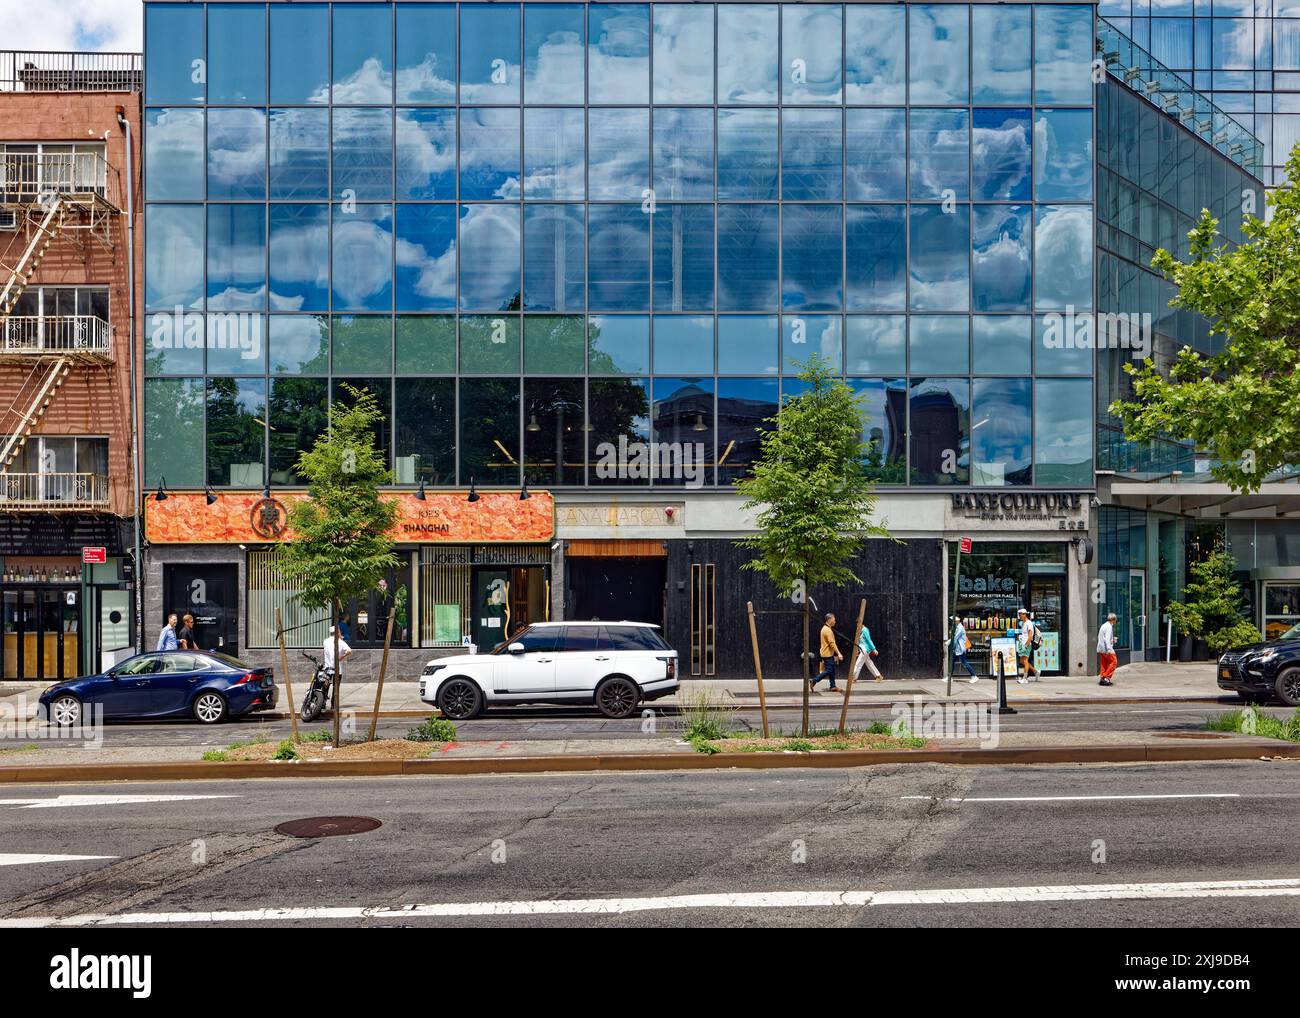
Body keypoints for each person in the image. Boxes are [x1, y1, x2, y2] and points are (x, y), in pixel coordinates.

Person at [809, 612, 842, 692]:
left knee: (832, 669)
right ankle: (814, 680)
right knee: (829, 670)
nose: (835, 621)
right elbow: (832, 644)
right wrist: (838, 653)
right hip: (827, 654)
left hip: (826, 653)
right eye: (834, 619)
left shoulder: (826, 628)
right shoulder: (827, 630)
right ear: (829, 620)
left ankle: (833, 686)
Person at [1016, 608, 1040, 684]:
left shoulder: (1029, 623)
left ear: (1024, 614)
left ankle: (1025, 678)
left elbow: (1030, 635)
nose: (1019, 616)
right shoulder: (1024, 623)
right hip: (1023, 644)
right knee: (1022, 661)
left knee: (1025, 661)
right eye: (1019, 614)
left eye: (1020, 614)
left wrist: (1026, 645)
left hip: (1027, 644)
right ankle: (1035, 671)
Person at [951, 616, 978, 683]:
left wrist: (948, 643)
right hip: (957, 648)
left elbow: (955, 637)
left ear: (958, 620)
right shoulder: (957, 627)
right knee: (952, 662)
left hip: (960, 649)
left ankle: (974, 676)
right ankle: (950, 677)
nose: (953, 622)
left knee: (964, 662)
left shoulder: (960, 628)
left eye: (954, 620)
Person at [1097, 612, 1118, 686]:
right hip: (1106, 648)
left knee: (1104, 663)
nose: (1115, 622)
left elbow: (1103, 638)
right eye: (1115, 620)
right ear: (1113, 619)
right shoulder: (1109, 626)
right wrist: (1109, 649)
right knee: (1114, 662)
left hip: (1101, 648)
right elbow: (1107, 639)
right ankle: (1106, 677)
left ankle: (1102, 677)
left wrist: (1112, 640)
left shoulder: (1104, 625)